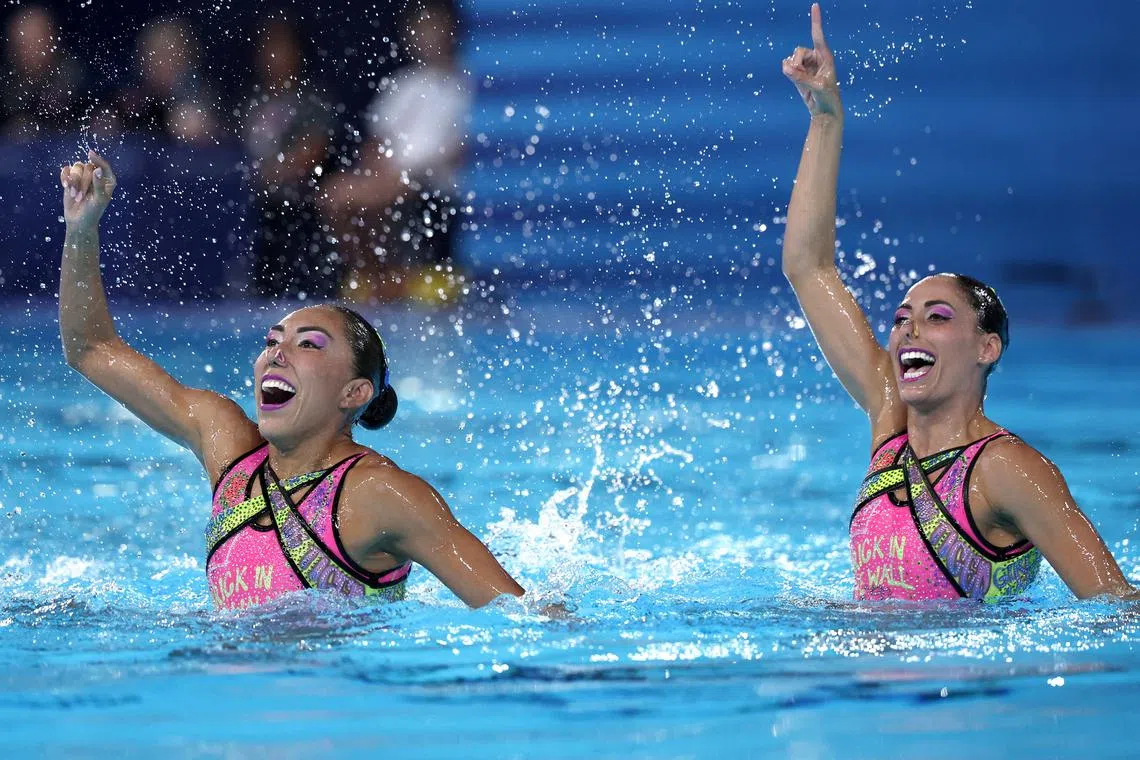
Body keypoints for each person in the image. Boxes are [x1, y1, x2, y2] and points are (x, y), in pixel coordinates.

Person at [58, 151, 526, 610]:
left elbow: (522, 613)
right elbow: (92, 350)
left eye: (310, 344)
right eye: (273, 340)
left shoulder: (383, 494)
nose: (276, 352)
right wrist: (82, 231)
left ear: (355, 392)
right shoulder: (230, 453)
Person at [781, 5, 1135, 601]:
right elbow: (809, 268)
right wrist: (825, 119)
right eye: (901, 320)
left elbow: (1115, 604)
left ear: (987, 346)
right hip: (871, 681)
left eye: (937, 318)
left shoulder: (1008, 469)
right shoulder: (889, 422)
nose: (908, 332)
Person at [319, 0, 470, 303]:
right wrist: (381, 171)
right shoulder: (404, 85)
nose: (427, 36)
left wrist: (408, 172)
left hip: (434, 181)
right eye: (420, 29)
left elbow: (459, 149)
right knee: (334, 194)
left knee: (377, 192)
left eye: (433, 27)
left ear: (450, 31)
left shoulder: (464, 84)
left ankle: (389, 277)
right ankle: (376, 274)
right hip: (393, 175)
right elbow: (376, 142)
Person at [242, 18, 337, 299]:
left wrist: (272, 171)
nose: (274, 56)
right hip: (252, 198)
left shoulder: (311, 101)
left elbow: (313, 152)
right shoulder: (252, 101)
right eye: (267, 48)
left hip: (295, 199)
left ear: (297, 53)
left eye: (281, 48)